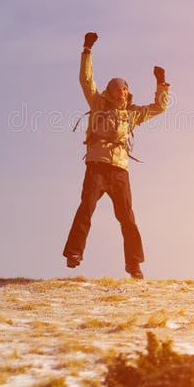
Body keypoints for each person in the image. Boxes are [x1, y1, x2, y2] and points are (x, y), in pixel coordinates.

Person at [63, 32, 170, 279]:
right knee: (86, 208)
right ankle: (74, 253)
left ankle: (134, 264)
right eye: (119, 88)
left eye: (125, 88)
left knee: (127, 217)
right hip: (97, 166)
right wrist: (87, 50)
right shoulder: (98, 104)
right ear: (110, 91)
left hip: (120, 170)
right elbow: (86, 80)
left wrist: (161, 84)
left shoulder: (132, 114)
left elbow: (160, 107)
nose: (123, 91)